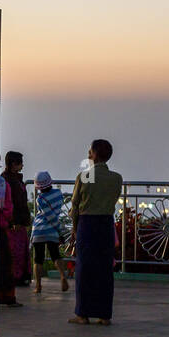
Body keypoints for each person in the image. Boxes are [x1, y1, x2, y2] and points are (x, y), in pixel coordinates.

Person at [69, 139, 122, 325]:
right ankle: (104, 314)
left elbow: (75, 206)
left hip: (87, 223)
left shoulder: (84, 176)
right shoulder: (116, 178)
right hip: (106, 223)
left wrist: (75, 229)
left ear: (94, 154)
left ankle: (82, 313)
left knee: (84, 269)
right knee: (105, 269)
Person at [30, 171, 68, 293]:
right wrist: (60, 231)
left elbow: (47, 215)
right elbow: (54, 215)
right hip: (52, 230)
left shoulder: (40, 199)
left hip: (39, 231)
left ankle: (38, 286)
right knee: (56, 255)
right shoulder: (58, 194)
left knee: (38, 259)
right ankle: (62, 276)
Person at [2, 151, 31, 289]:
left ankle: (21, 276)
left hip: (19, 220)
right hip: (13, 222)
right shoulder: (7, 180)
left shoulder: (15, 179)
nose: (22, 165)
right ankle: (16, 276)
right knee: (15, 251)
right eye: (20, 162)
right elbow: (11, 202)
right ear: (14, 164)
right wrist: (13, 221)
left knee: (21, 249)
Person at [0, 165, 21, 307]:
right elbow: (8, 207)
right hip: (1, 227)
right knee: (6, 264)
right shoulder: (2, 184)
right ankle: (7, 296)